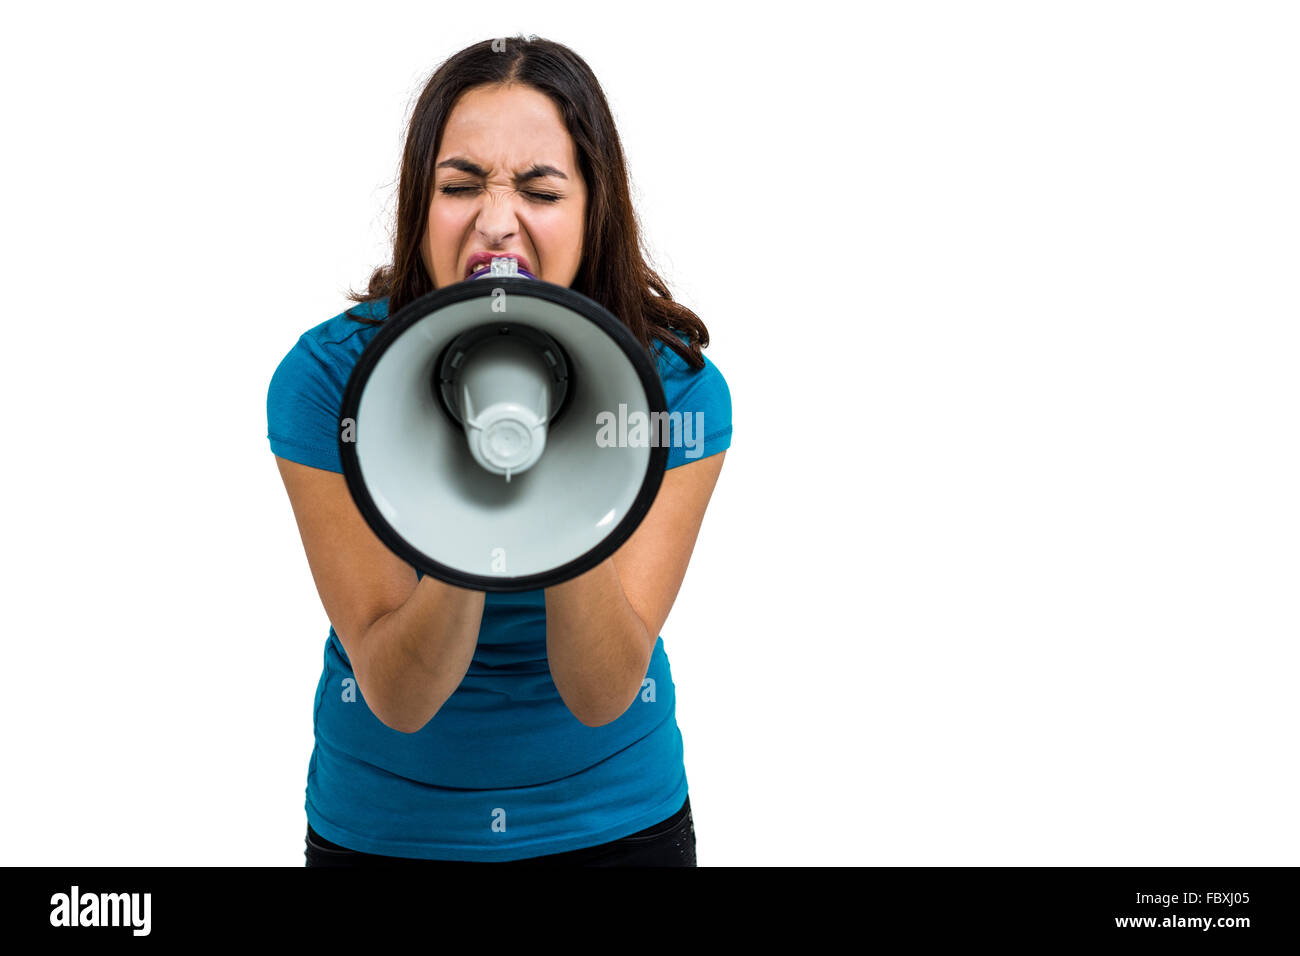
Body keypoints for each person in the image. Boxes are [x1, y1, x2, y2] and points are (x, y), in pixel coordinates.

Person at [266, 36, 732, 866]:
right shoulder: (324, 385)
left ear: (595, 210)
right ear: (420, 206)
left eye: (541, 190)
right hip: (388, 836)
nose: (495, 219)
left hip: (614, 827)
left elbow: (602, 692)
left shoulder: (676, 398)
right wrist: (471, 504)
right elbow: (399, 697)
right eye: (460, 185)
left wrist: (563, 478)